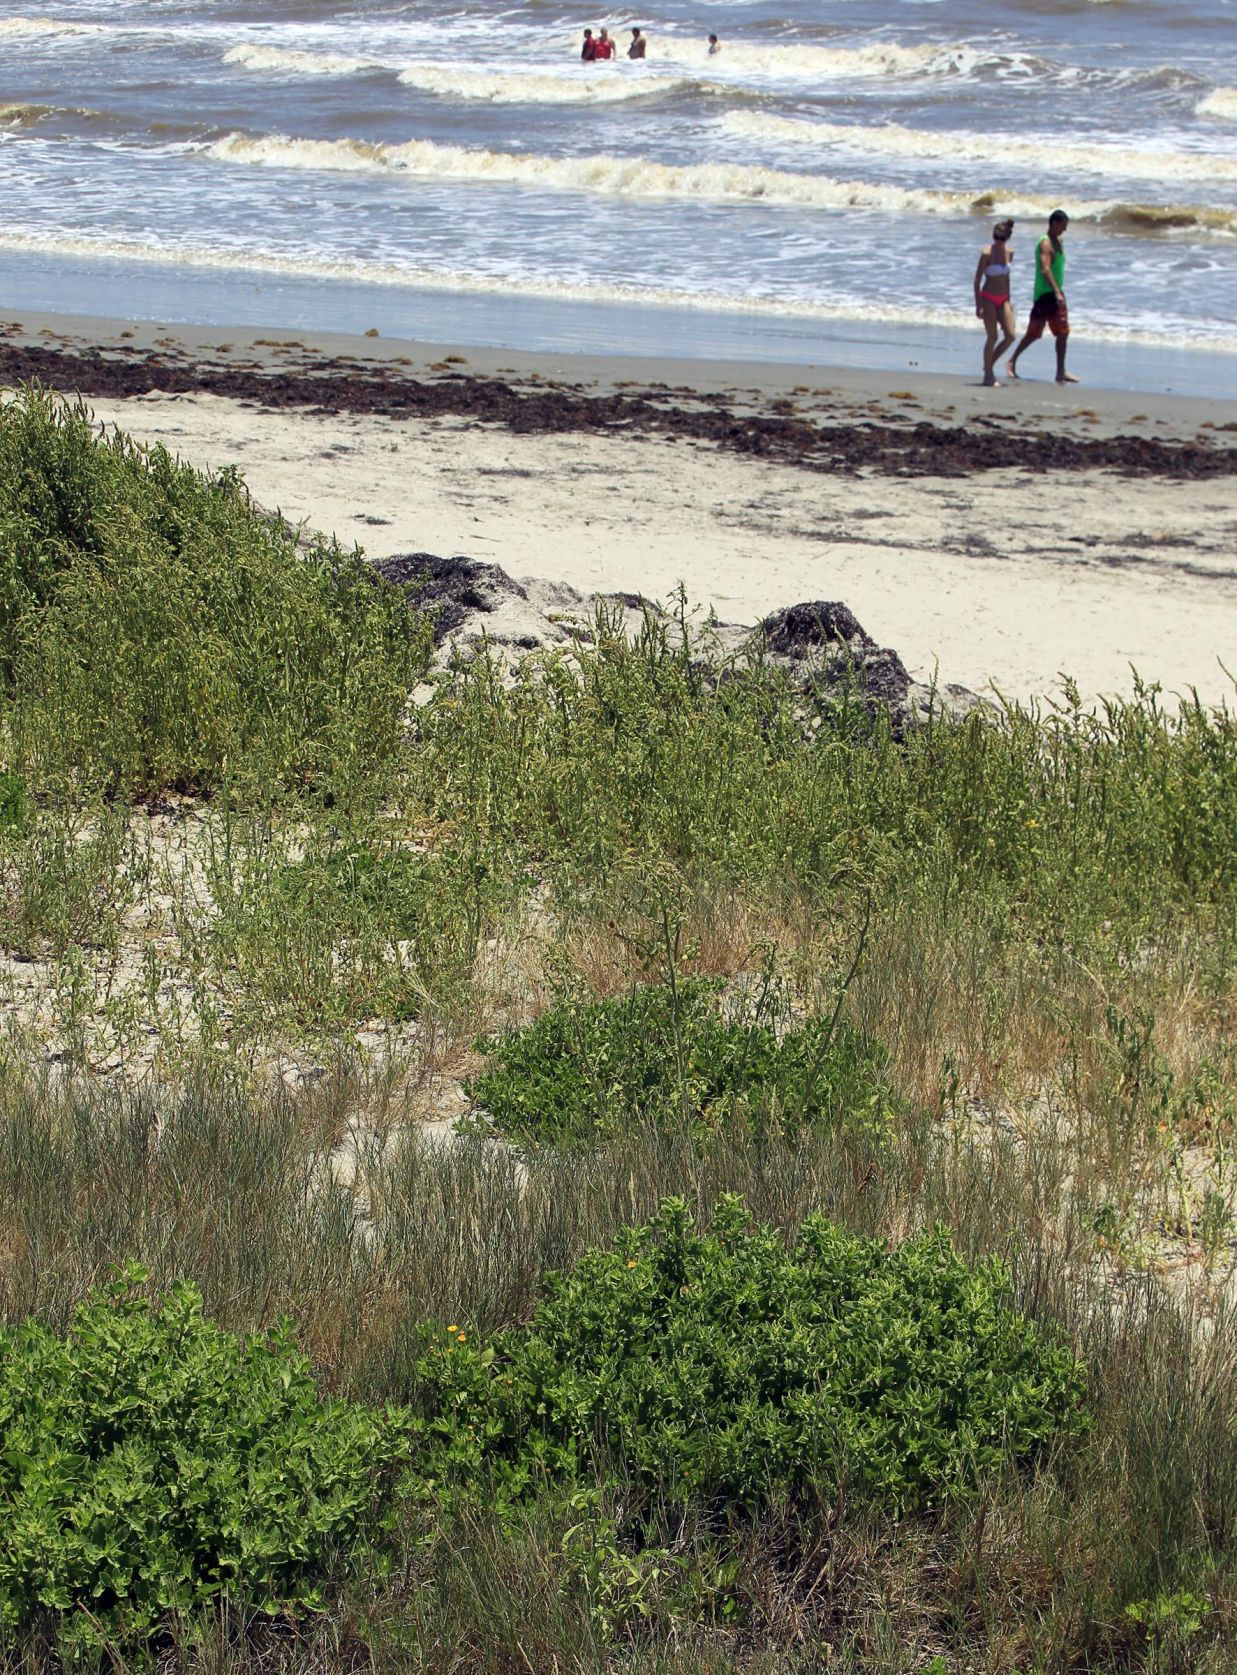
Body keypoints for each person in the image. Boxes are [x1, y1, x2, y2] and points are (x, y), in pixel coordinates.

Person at [1008, 210, 1077, 384]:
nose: (1065, 230)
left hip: (1055, 292)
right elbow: (1045, 269)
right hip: (1046, 294)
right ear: (1054, 223)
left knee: (1063, 332)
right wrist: (1056, 291)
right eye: (1063, 226)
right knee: (1034, 333)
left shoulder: (1059, 242)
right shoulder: (1045, 243)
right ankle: (1011, 361)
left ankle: (1061, 372)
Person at [973, 218, 1016, 387]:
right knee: (992, 336)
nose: (998, 242)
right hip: (988, 297)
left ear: (1007, 238)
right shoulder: (986, 253)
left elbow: (1007, 277)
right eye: (996, 238)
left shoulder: (1010, 252)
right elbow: (977, 279)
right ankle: (988, 375)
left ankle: (988, 365)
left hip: (1003, 298)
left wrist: (1009, 300)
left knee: (1011, 336)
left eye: (1002, 239)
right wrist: (978, 305)